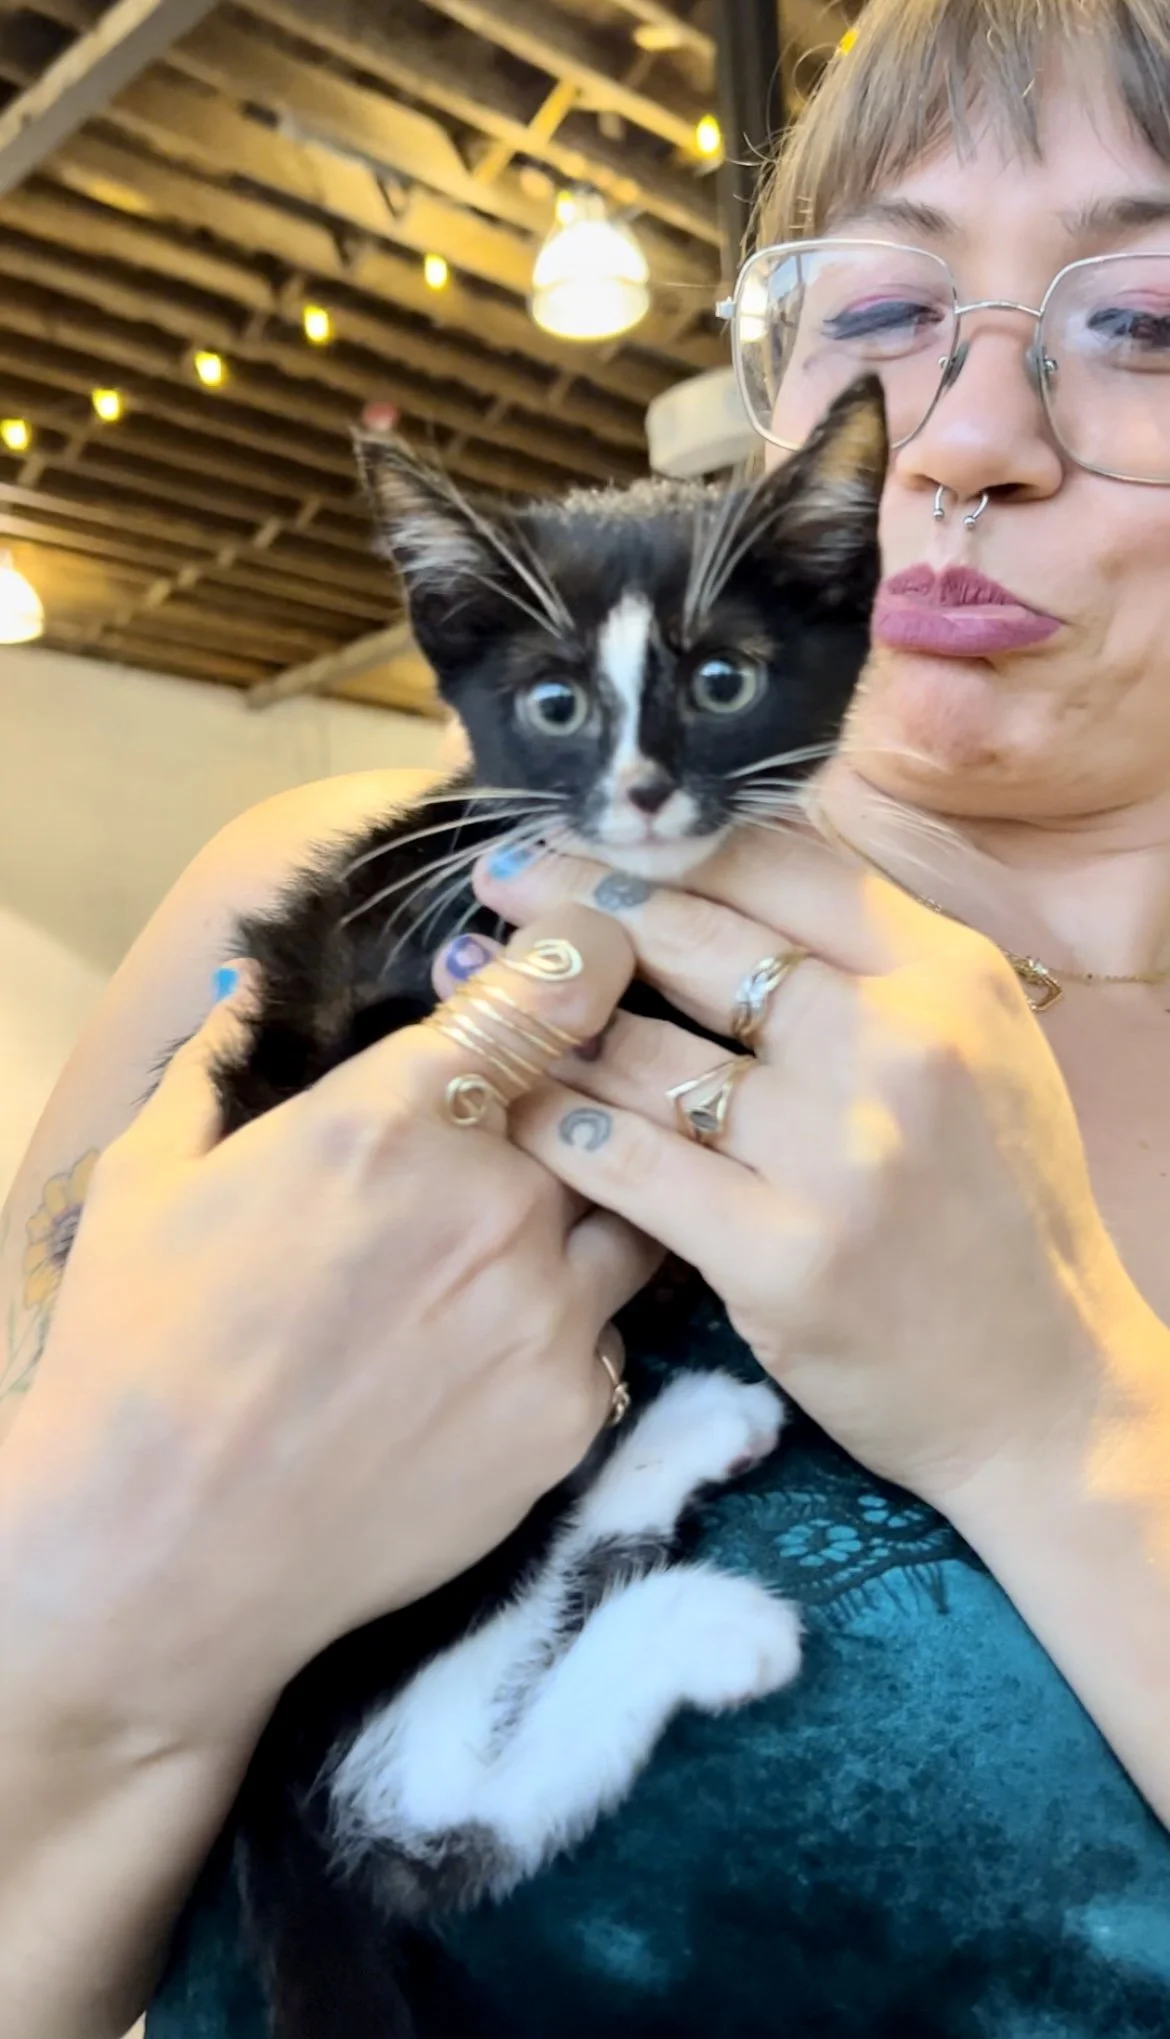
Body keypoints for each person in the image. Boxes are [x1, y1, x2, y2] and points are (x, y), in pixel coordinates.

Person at [4, 0, 1170, 2030]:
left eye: (1146, 319)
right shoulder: (351, 908)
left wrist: (1062, 1418)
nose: (962, 436)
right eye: (878, 311)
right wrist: (112, 1613)